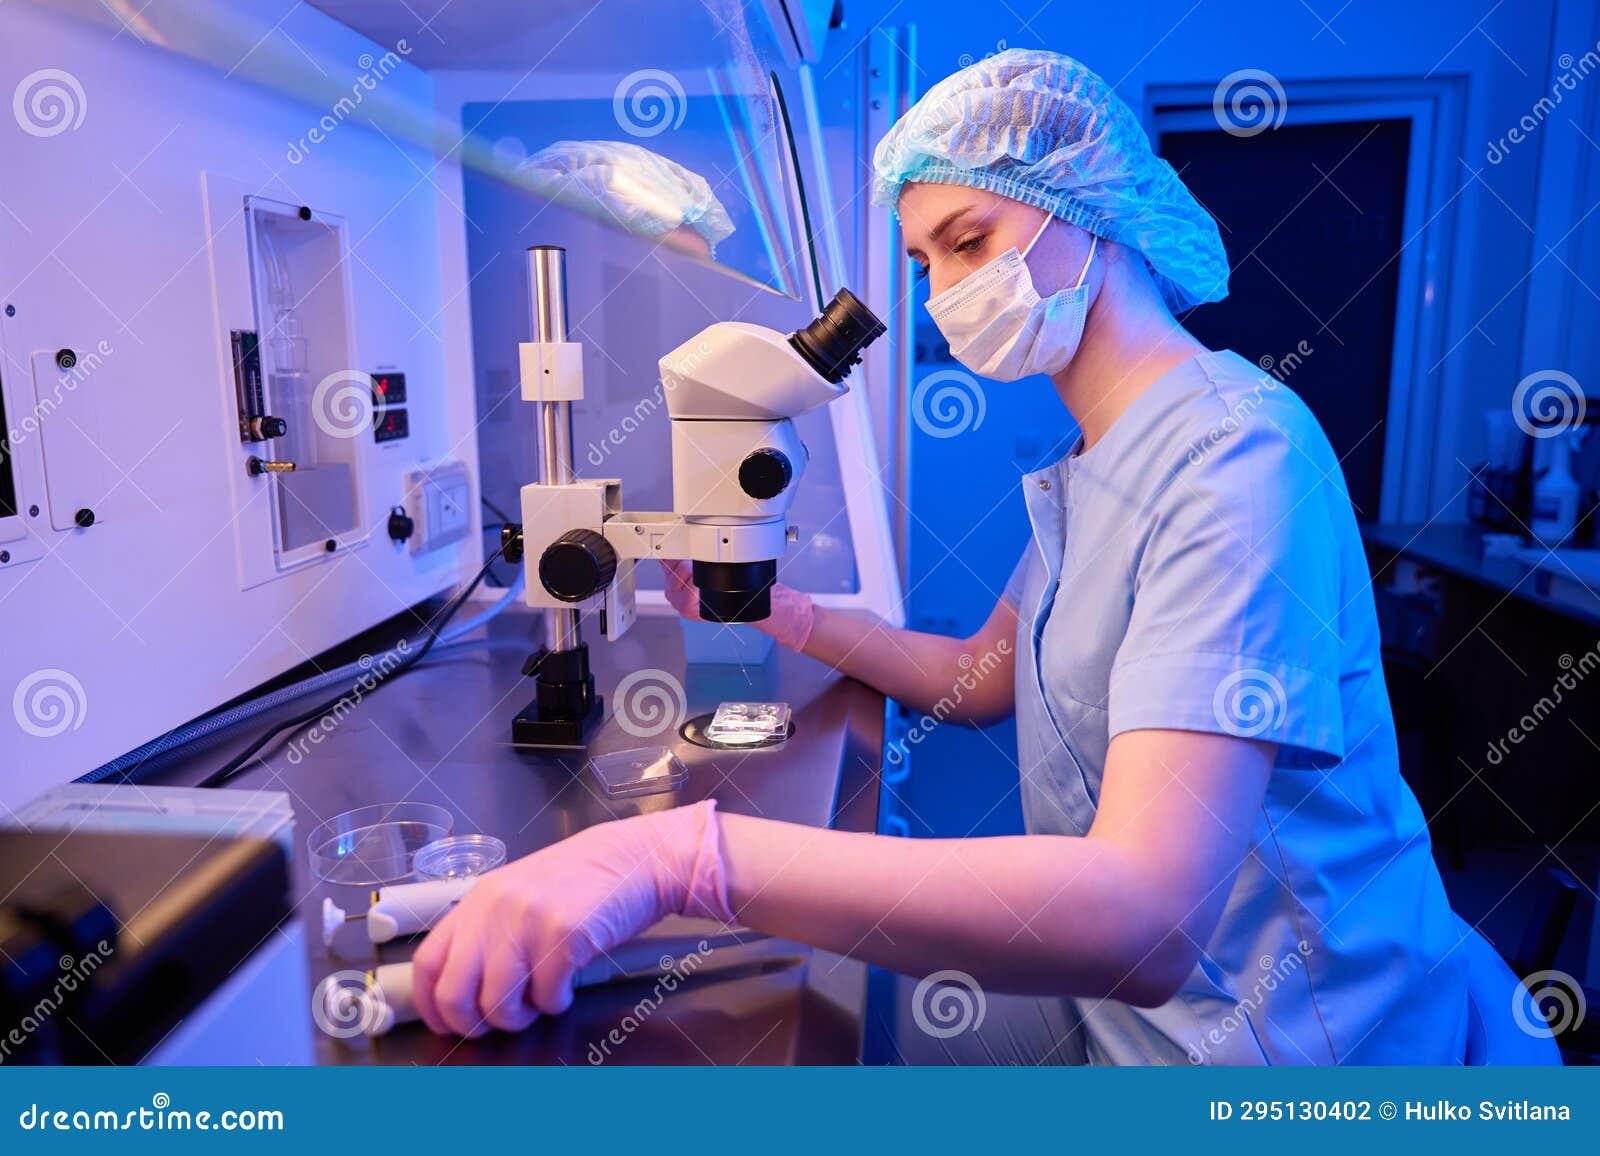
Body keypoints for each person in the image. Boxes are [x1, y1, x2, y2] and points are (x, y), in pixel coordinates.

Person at [413, 49, 1467, 1065]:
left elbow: (1145, 919)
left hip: (1282, 1038)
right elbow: (984, 677)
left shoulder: (1234, 456)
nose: (938, 296)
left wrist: (676, 858)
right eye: (923, 264)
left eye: (967, 242)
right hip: (1138, 1017)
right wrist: (803, 624)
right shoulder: (1101, 452)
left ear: (1088, 210)